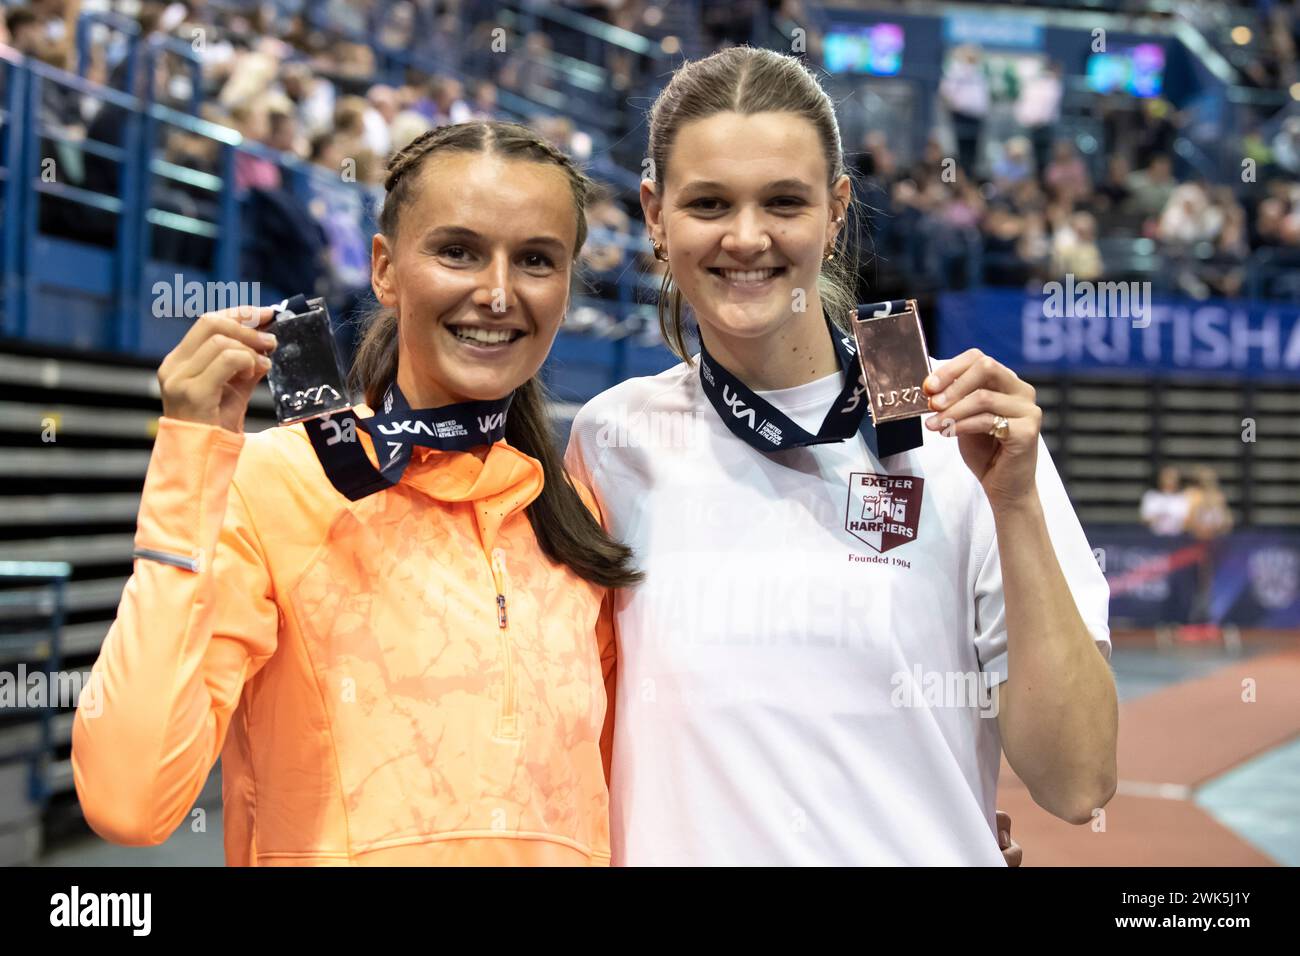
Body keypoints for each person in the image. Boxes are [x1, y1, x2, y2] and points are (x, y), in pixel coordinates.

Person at [566, 47, 1117, 866]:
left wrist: (1016, 503)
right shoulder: (613, 438)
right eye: (709, 202)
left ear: (834, 211)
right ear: (654, 214)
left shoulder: (959, 432)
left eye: (783, 202)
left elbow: (1077, 782)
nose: (745, 237)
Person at [72, 121, 640, 866]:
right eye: (458, 251)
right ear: (385, 269)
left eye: (536, 260)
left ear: (566, 289)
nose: (498, 293)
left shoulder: (575, 521)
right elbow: (129, 798)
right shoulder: (275, 482)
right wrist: (189, 465)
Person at [1140, 465, 1189, 536]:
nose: (1169, 480)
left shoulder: (1183, 497)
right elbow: (1145, 519)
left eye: (1172, 477)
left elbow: (1187, 521)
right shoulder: (1151, 496)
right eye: (1167, 477)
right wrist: (1160, 519)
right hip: (1154, 537)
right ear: (1160, 478)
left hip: (1177, 538)